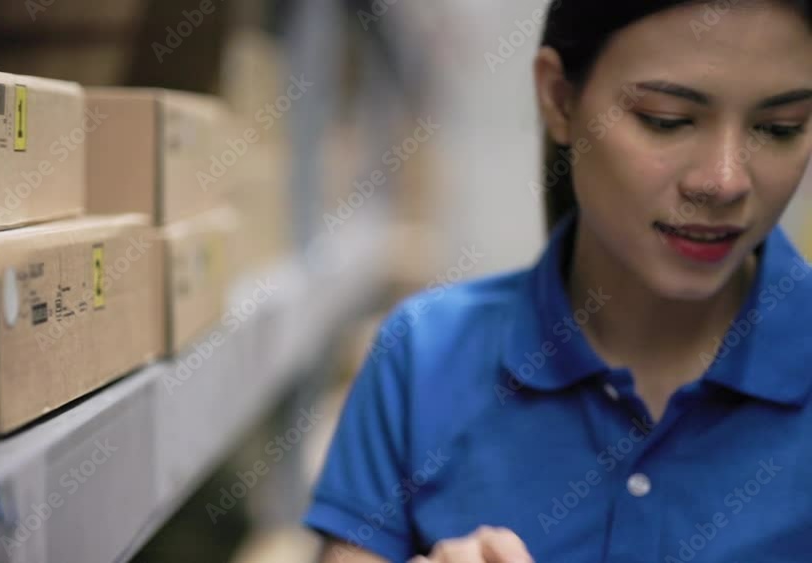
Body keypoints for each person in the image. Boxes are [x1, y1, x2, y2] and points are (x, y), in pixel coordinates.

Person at [303, 0, 812, 561]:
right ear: (559, 98)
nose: (724, 182)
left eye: (778, 128)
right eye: (667, 119)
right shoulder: (424, 359)